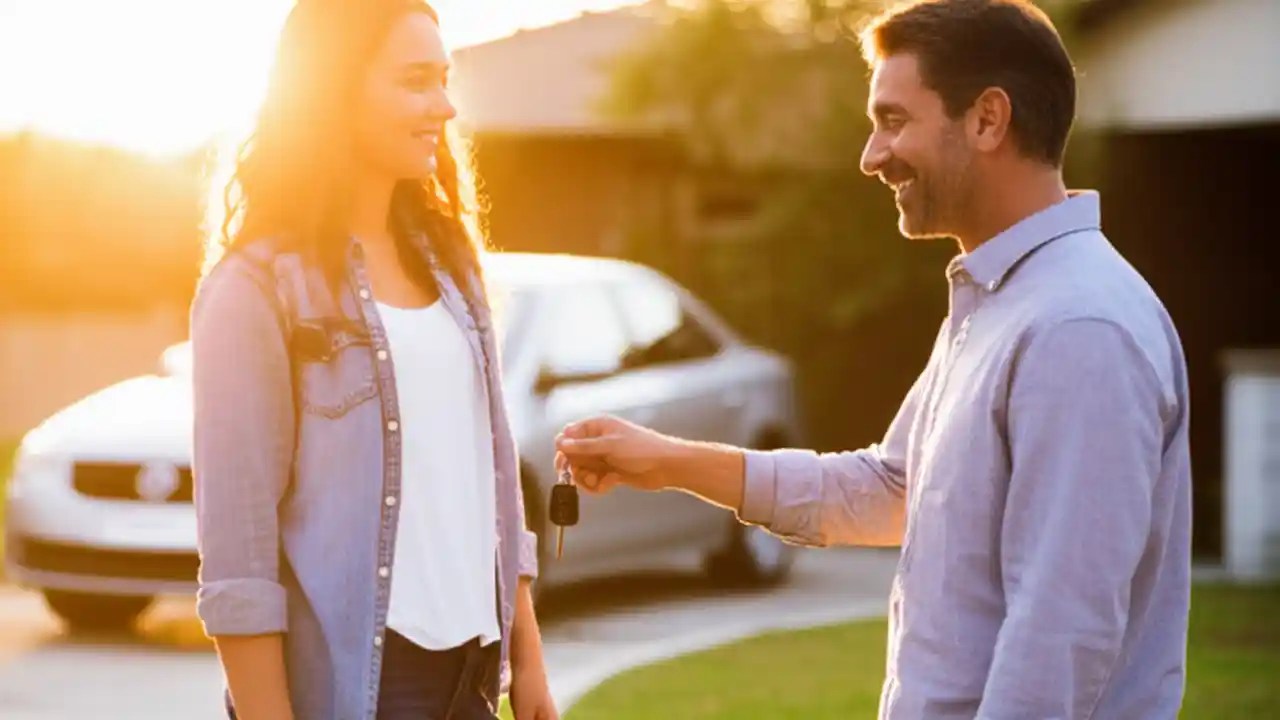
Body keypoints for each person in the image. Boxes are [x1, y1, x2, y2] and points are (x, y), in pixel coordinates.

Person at [556, 1, 1191, 717]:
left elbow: (1059, 635)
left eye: (893, 120)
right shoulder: (1000, 303)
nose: (871, 156)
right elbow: (891, 491)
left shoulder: (1078, 328)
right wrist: (667, 462)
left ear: (987, 119)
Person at [191, 1, 557, 718]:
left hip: (474, 680)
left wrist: (527, 656)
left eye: (445, 79)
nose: (445, 106)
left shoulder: (450, 267)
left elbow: (494, 475)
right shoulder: (253, 291)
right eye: (416, 81)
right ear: (333, 92)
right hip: (364, 691)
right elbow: (239, 559)